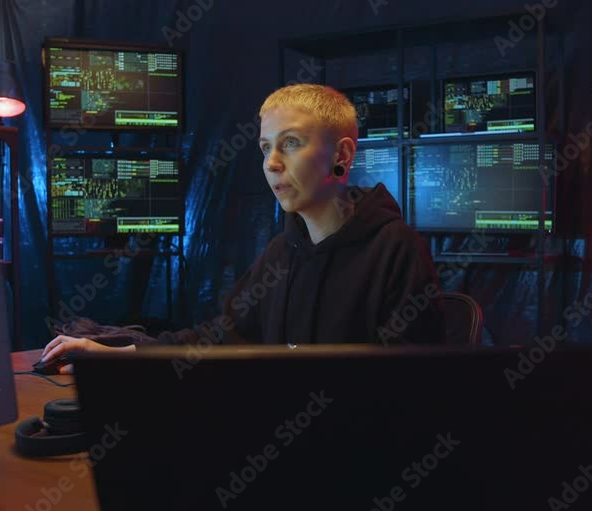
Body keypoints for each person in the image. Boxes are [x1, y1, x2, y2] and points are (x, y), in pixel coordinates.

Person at [41, 84, 446, 373]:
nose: (271, 163)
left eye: (290, 143)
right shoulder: (281, 253)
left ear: (341, 154)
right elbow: (221, 336)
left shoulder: (397, 250)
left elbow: (413, 393)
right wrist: (115, 355)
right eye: (265, 147)